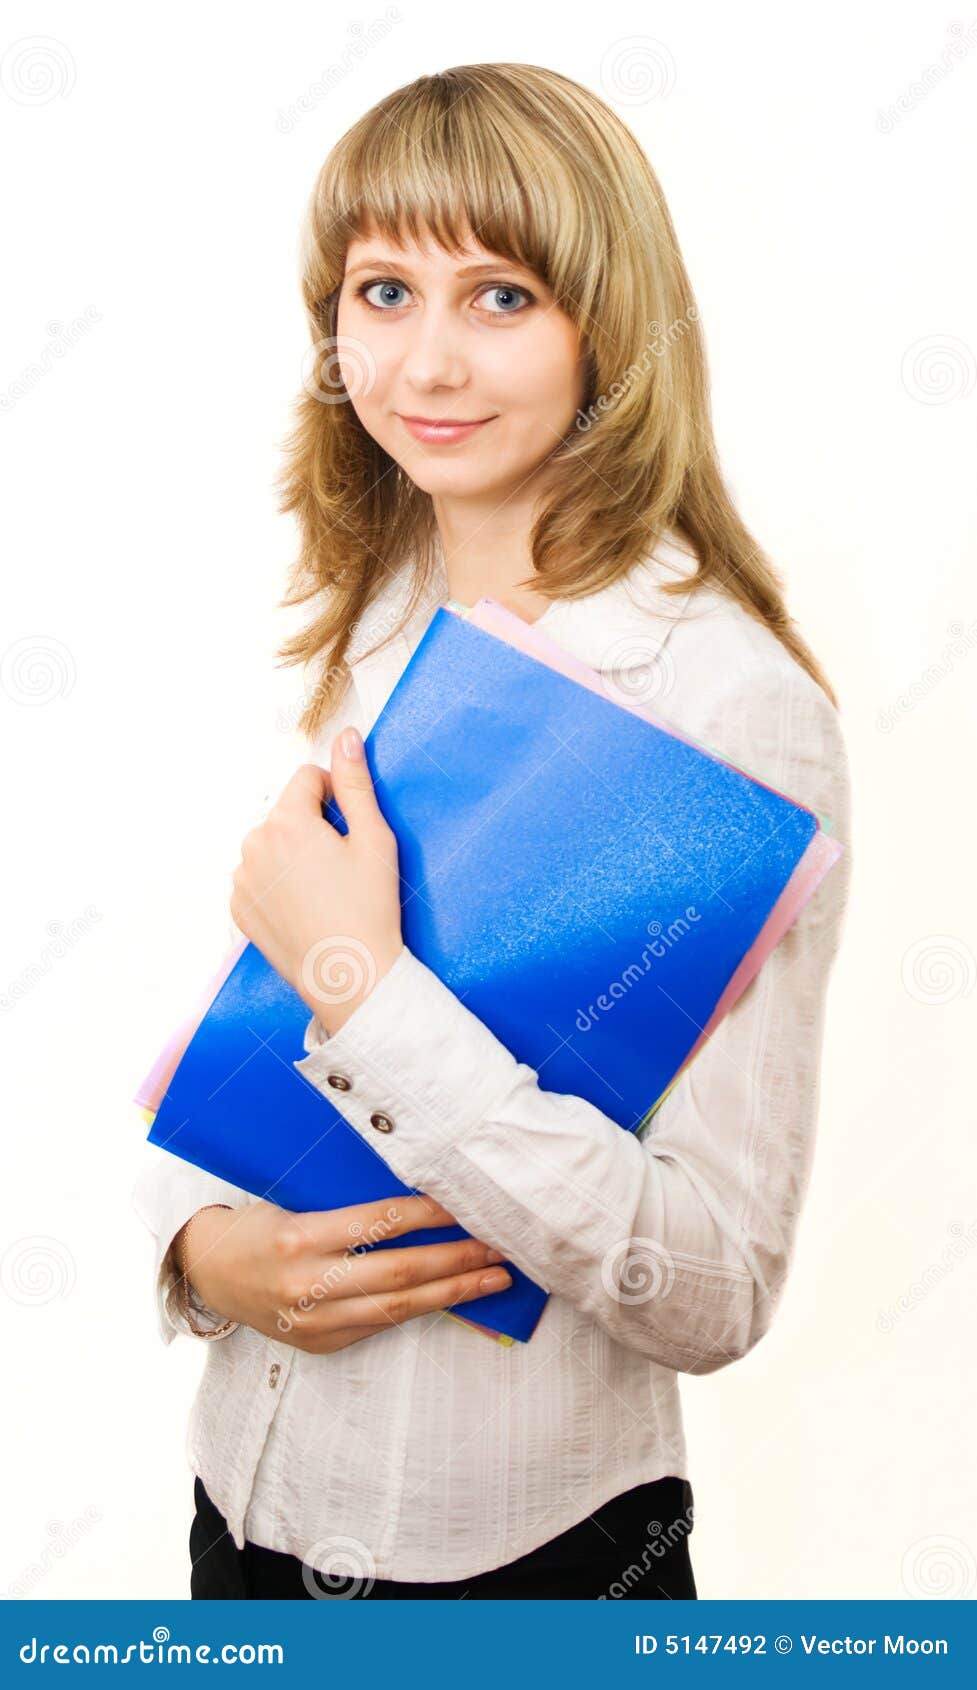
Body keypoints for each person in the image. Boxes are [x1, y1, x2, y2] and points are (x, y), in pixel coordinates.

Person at [132, 62, 852, 1600]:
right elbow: (238, 1046)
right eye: (383, 290)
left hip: (526, 1570)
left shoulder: (721, 706)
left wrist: (366, 989)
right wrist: (200, 1254)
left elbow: (712, 1286)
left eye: (502, 295)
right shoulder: (361, 620)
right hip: (238, 1524)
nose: (428, 362)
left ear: (606, 323)